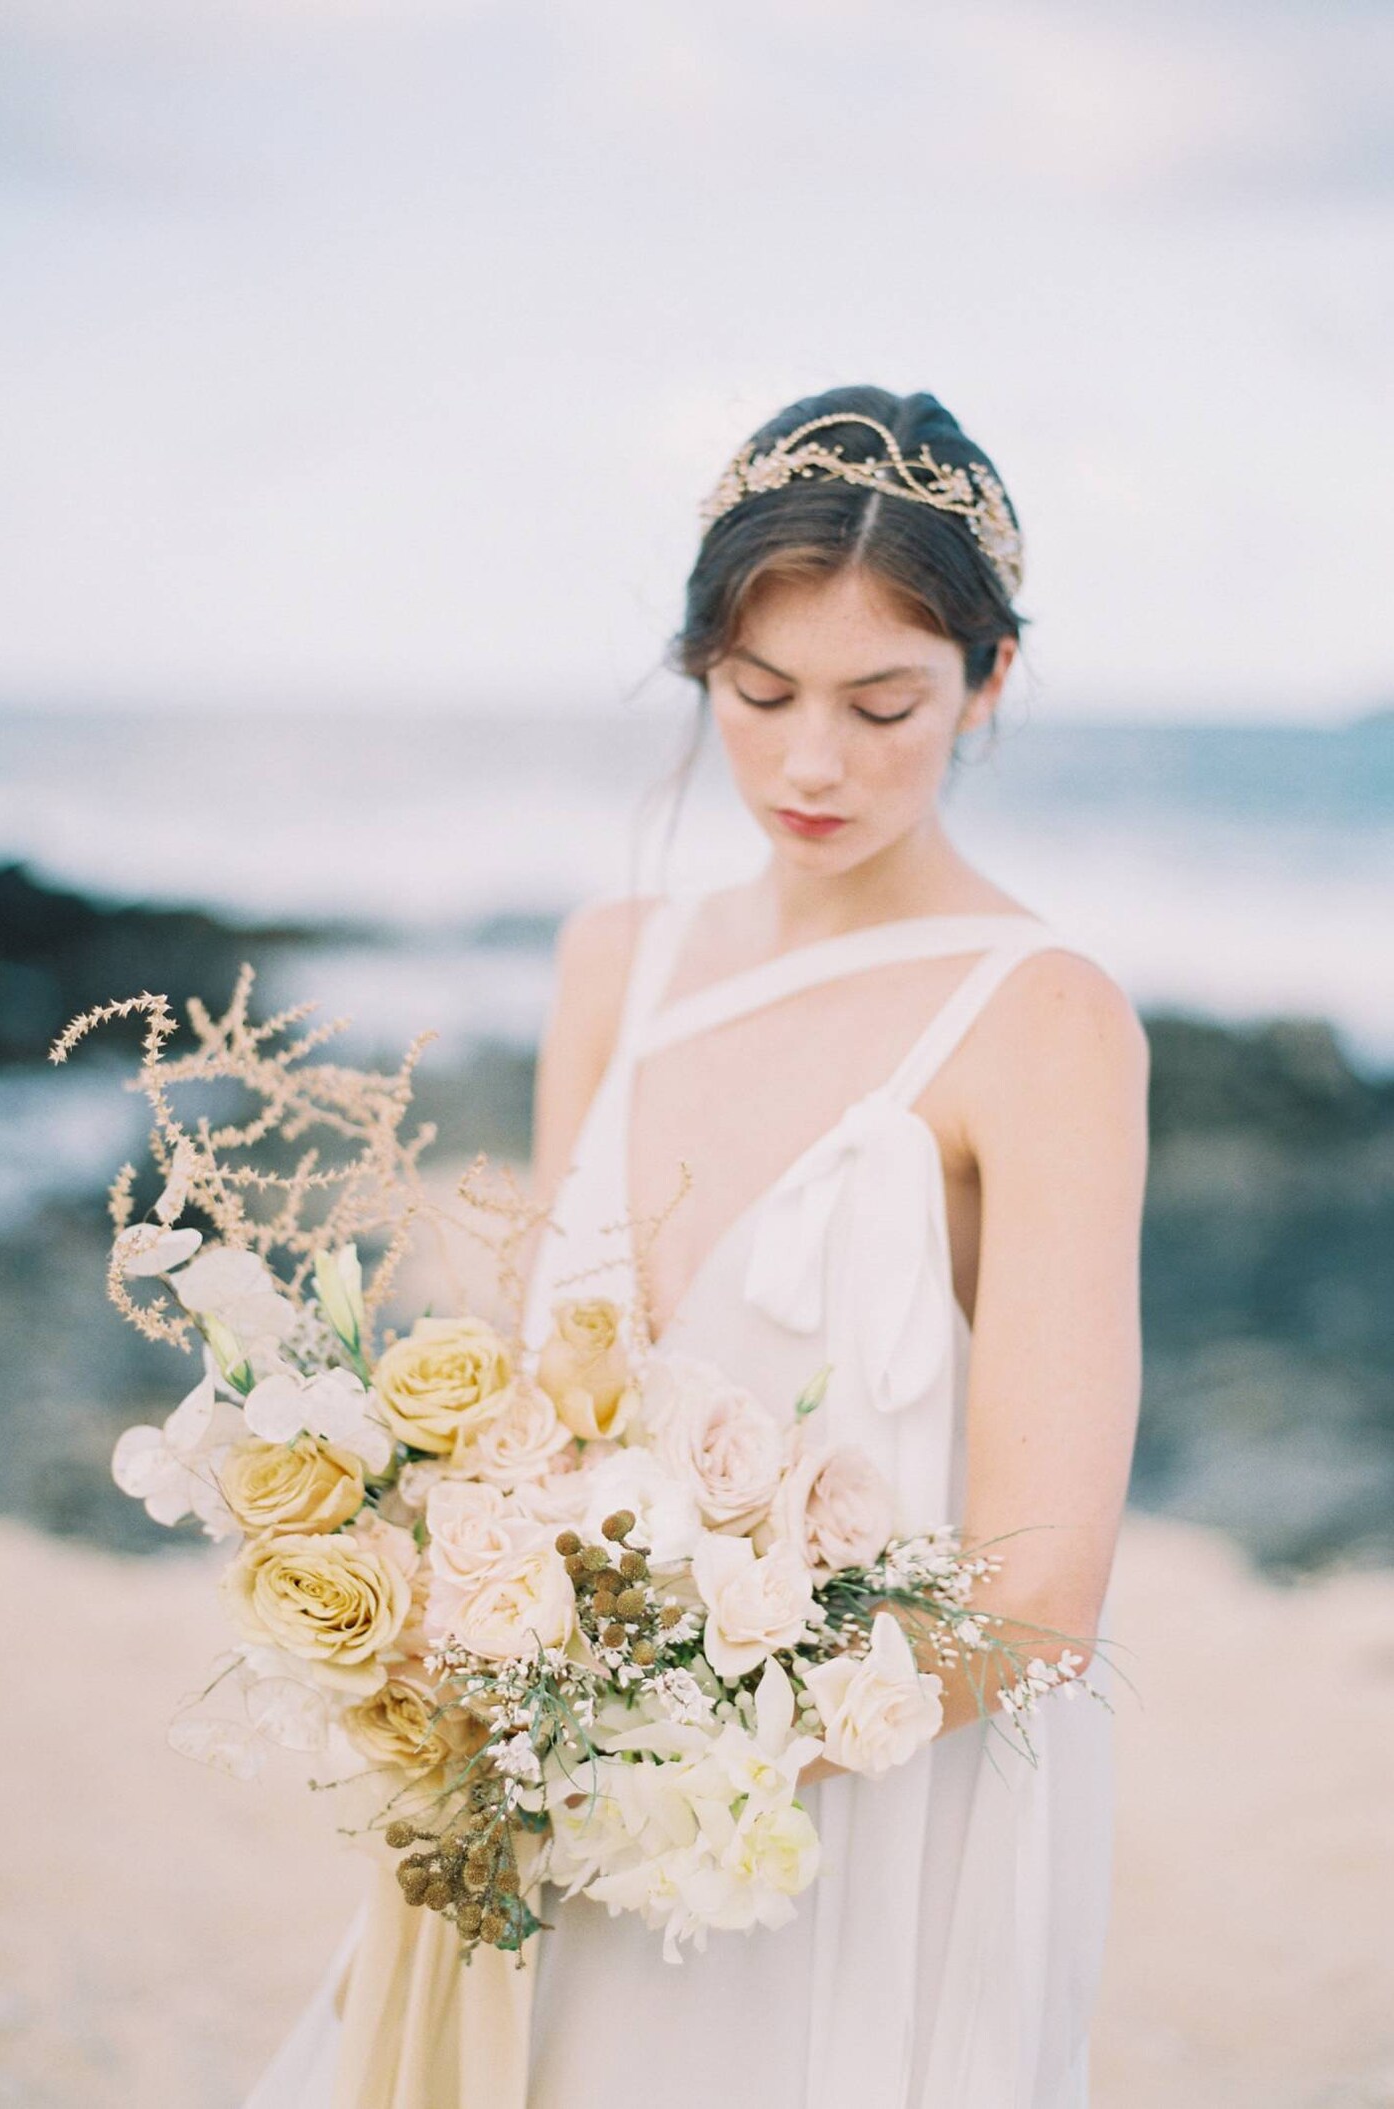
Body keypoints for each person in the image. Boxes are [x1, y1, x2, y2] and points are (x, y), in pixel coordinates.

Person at [518, 384, 1148, 2107]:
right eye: (760, 694)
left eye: (886, 705)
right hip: (549, 1799)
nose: (814, 762)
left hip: (846, 1815)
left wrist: (679, 1762)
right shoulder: (612, 963)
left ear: (990, 684)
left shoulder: (1044, 1020)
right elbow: (524, 1411)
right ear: (699, 671)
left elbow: (1041, 1594)